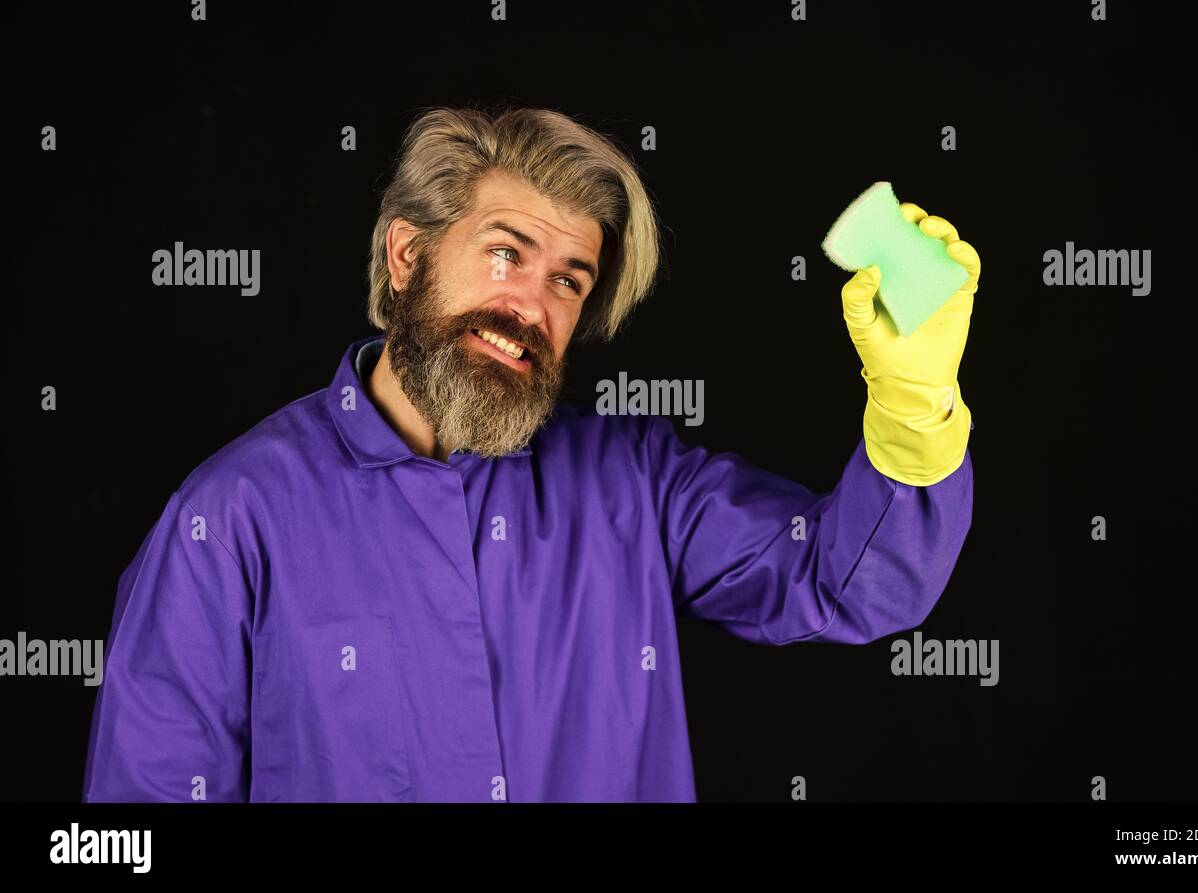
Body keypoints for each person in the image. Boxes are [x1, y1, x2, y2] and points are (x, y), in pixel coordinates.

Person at [82, 105, 978, 802]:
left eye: (566, 281)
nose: (529, 307)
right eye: (504, 253)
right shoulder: (234, 514)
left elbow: (848, 583)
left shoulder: (638, 485)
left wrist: (913, 401)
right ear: (407, 254)